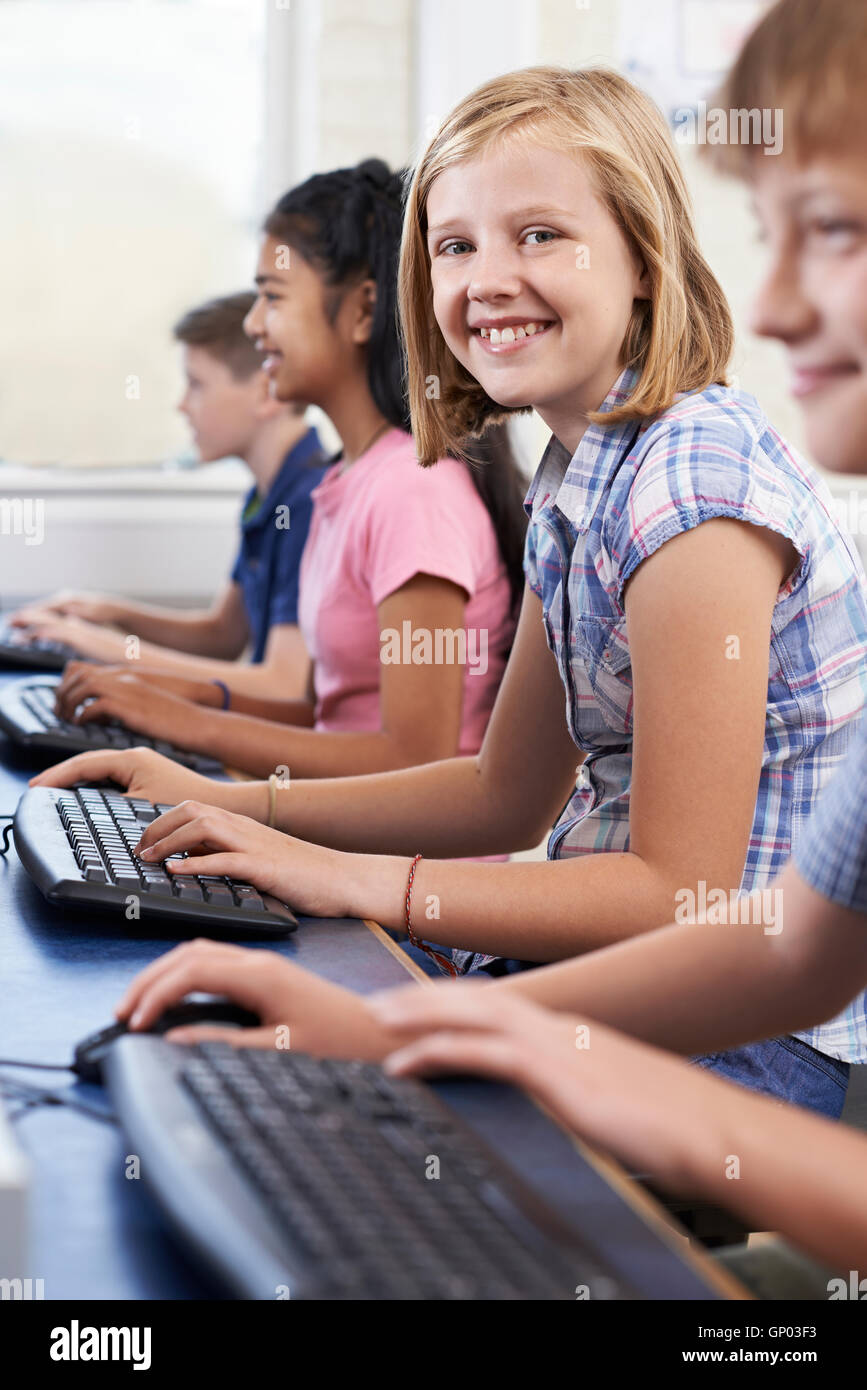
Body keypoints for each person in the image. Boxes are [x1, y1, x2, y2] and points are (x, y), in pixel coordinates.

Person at [35, 67, 867, 1109]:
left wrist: (351, 877)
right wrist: (226, 804)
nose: (486, 279)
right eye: (455, 244)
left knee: (302, 1106)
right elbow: (502, 791)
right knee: (210, 1043)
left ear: (646, 261)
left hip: (739, 1039)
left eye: (540, 235)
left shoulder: (692, 483)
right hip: (610, 982)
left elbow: (677, 895)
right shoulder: (585, 474)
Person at [32, 160, 526, 793]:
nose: (252, 323)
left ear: (361, 312)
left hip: (397, 882)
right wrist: (164, 695)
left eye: (272, 296)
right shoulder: (347, 480)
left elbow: (414, 759)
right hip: (339, 852)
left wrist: (188, 722)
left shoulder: (412, 491)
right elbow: (325, 714)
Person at [11, 292, 326, 700]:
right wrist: (112, 614)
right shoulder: (267, 494)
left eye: (196, 384)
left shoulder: (308, 502)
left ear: (266, 392)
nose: (181, 405)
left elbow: (285, 687)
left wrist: (103, 649)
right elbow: (223, 635)